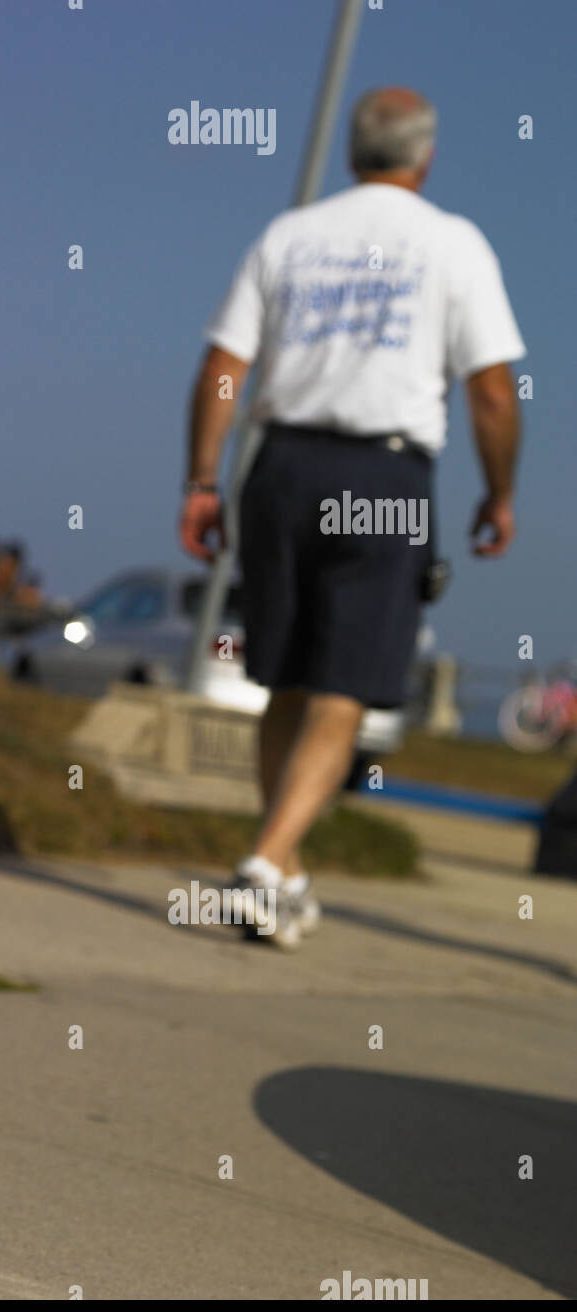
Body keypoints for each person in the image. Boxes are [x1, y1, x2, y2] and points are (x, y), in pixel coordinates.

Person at [179, 87, 525, 949]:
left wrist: (202, 478)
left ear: (350, 151)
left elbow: (225, 364)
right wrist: (499, 491)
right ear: (426, 156)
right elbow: (489, 388)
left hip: (282, 466)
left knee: (284, 681)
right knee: (341, 689)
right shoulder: (453, 244)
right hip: (384, 471)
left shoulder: (290, 236)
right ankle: (266, 864)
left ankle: (283, 869)